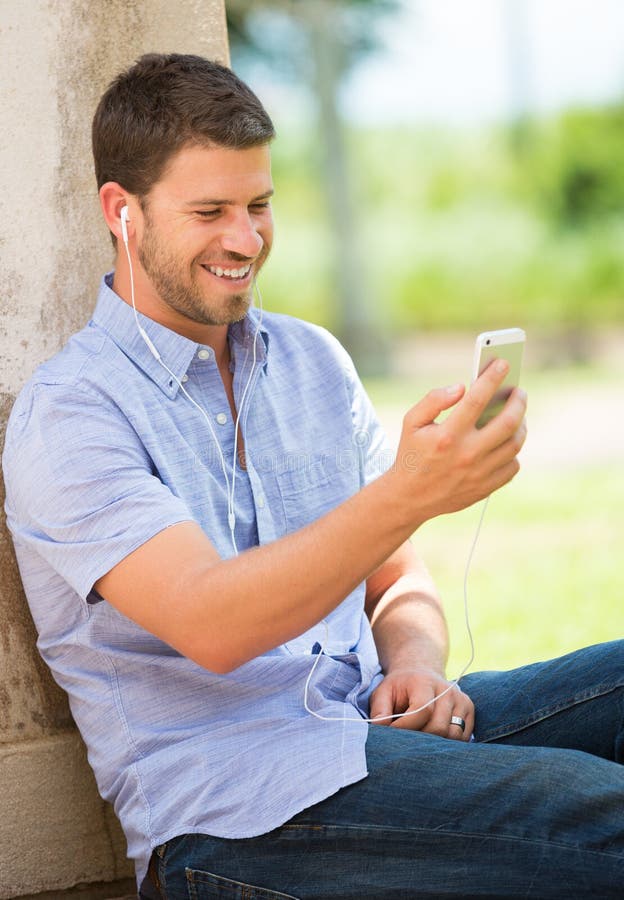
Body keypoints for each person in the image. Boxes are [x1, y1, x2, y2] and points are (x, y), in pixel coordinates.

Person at [2, 53, 622, 899]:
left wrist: (415, 660)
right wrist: (410, 492)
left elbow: (397, 575)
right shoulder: (70, 415)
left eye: (258, 206)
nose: (246, 239)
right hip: (238, 820)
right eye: (210, 211)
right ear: (123, 212)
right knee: (601, 812)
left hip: (373, 731)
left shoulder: (311, 362)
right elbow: (209, 621)